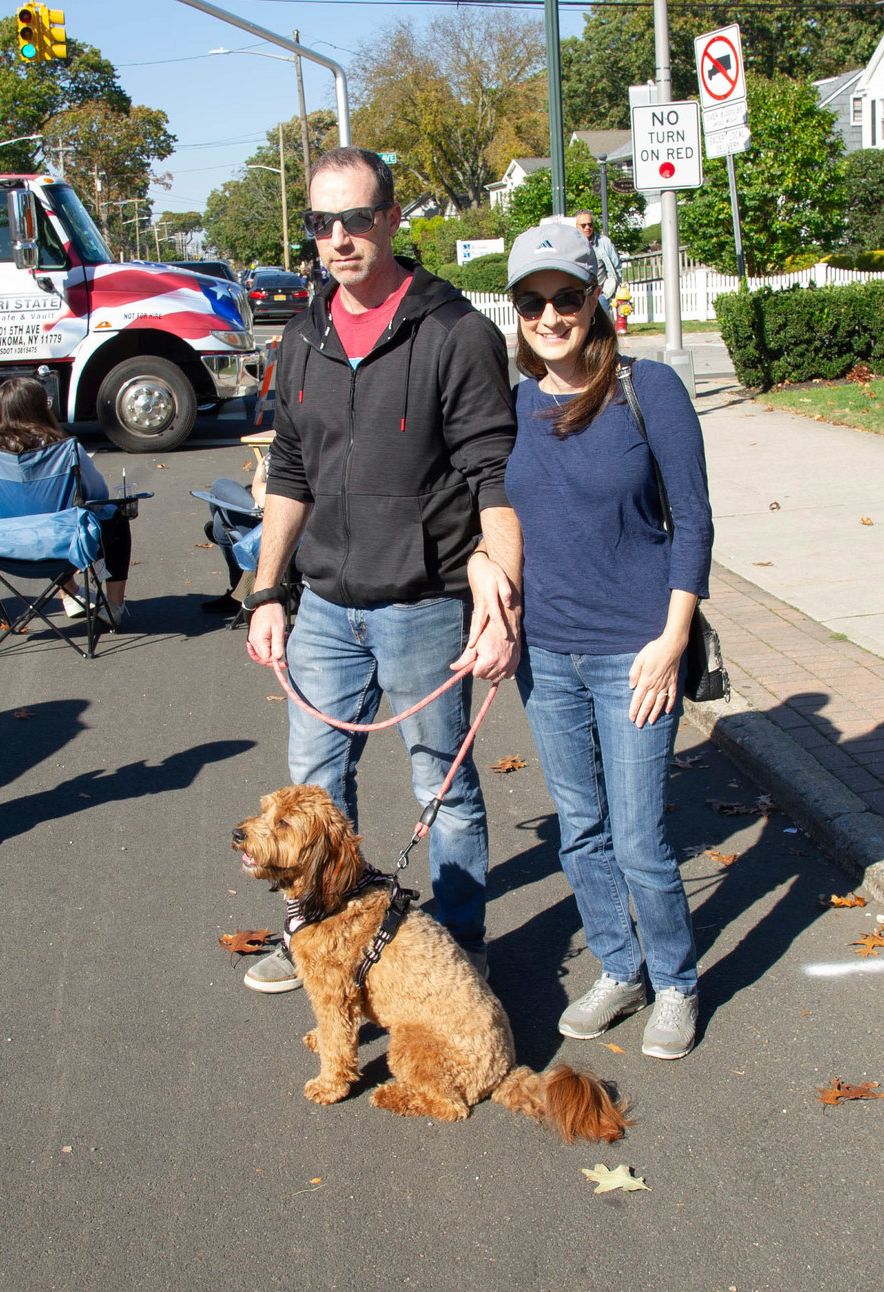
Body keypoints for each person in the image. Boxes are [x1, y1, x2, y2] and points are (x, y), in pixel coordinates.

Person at [243, 146, 521, 994]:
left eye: (356, 219)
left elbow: (494, 475)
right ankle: (320, 943)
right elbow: (289, 472)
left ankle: (462, 945)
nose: (338, 239)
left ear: (394, 219)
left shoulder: (455, 334)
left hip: (424, 606)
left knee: (443, 789)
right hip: (324, 606)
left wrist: (500, 594)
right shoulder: (303, 334)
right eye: (321, 224)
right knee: (314, 789)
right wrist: (266, 591)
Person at [503, 221, 712, 1060]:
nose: (550, 316)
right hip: (544, 655)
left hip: (635, 651)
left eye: (565, 297)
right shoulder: (511, 402)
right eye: (531, 302)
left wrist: (673, 638)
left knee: (638, 837)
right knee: (580, 829)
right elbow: (495, 514)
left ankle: (676, 982)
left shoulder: (646, 388)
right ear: (515, 313)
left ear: (596, 299)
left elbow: (692, 520)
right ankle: (618, 967)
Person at [0, 377, 134, 629]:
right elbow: (98, 493)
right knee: (113, 515)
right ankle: (114, 606)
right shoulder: (65, 449)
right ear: (42, 408)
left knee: (38, 520)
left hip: (2, 549)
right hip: (60, 545)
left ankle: (72, 594)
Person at [198, 455, 266, 615]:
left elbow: (264, 500)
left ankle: (239, 591)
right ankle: (239, 590)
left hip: (271, 525)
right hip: (282, 523)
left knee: (220, 487)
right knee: (221, 522)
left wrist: (260, 476)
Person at [575, 210, 622, 302]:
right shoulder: (570, 245)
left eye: (590, 224)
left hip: (601, 296)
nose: (587, 228)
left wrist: (607, 295)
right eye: (583, 225)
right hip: (579, 297)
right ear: (576, 226)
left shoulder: (604, 242)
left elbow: (617, 269)